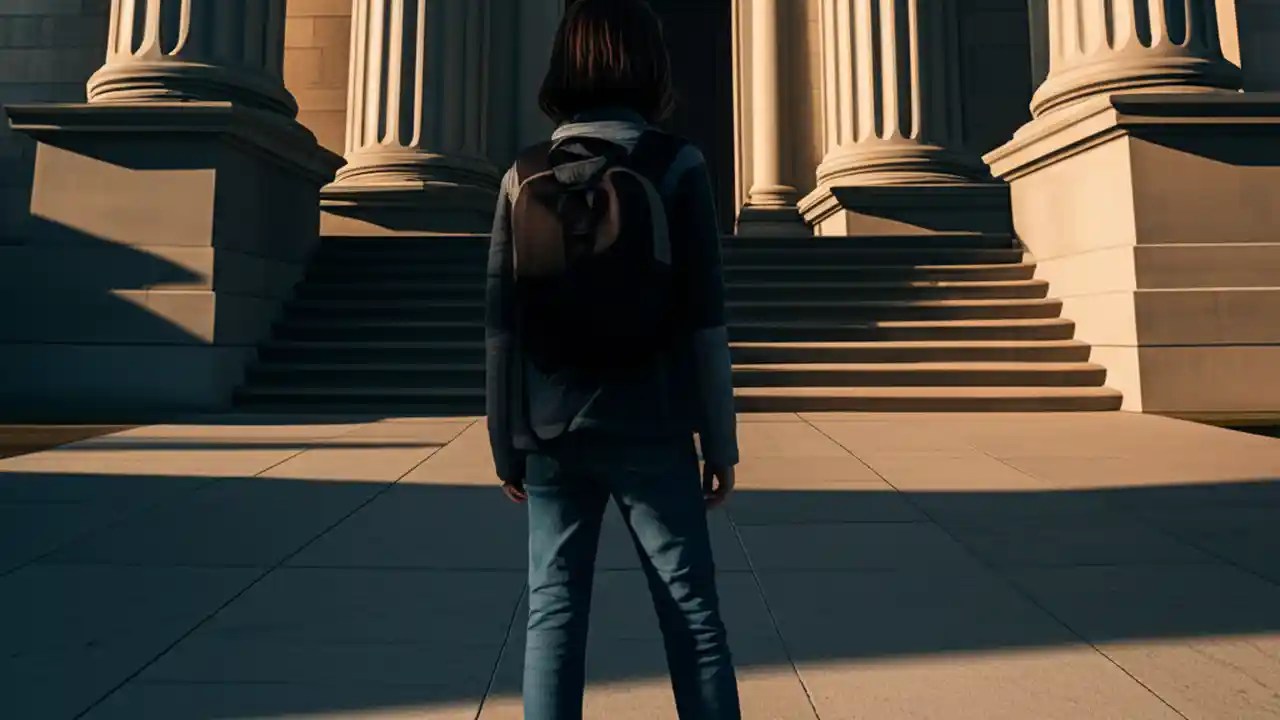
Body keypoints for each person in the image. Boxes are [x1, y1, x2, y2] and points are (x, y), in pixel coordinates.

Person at [484, 1, 741, 718]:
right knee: (692, 615)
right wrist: (719, 441)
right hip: (653, 422)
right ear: (648, 63)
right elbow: (704, 323)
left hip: (550, 430)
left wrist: (505, 443)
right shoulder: (678, 164)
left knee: (553, 614)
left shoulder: (522, 173)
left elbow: (501, 328)